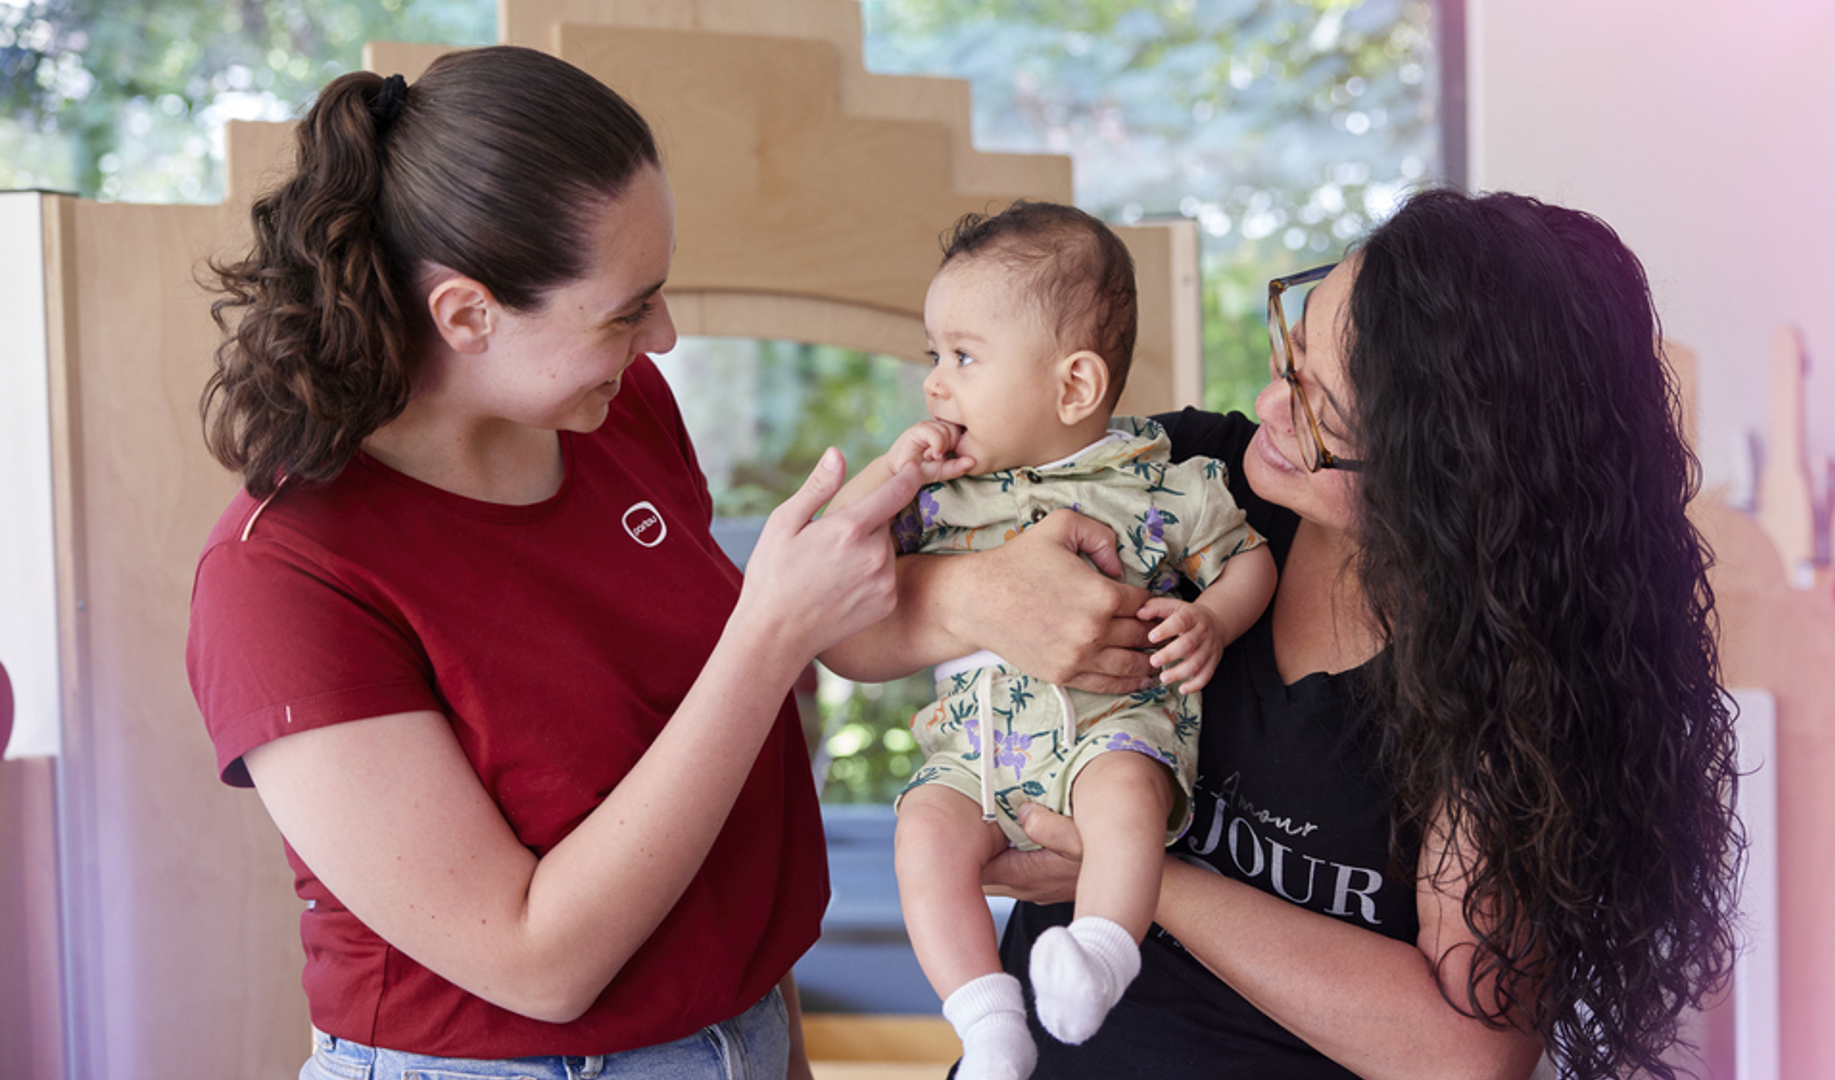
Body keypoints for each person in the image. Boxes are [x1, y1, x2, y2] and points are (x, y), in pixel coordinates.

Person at [831, 189, 1744, 1080]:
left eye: (1319, 410)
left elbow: (1466, 1050)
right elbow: (846, 640)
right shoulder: (1193, 480)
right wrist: (973, 598)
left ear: (1447, 475)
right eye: (1290, 356)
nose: (1271, 407)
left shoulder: (1512, 681)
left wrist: (1134, 874)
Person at [186, 46, 942, 1080]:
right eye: (630, 308)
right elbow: (539, 964)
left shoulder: (617, 413)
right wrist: (769, 637)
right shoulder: (279, 579)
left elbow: (707, 830)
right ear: (467, 314)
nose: (665, 336)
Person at [825, 202, 1275, 1079]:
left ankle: (1102, 951)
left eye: (962, 356)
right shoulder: (944, 492)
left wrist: (1213, 618)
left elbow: (1247, 561)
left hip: (1112, 731)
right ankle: (987, 1020)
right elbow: (835, 568)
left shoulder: (1162, 481)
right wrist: (892, 471)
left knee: (1126, 806)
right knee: (922, 830)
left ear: (1073, 386)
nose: (935, 383)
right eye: (933, 355)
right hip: (978, 754)